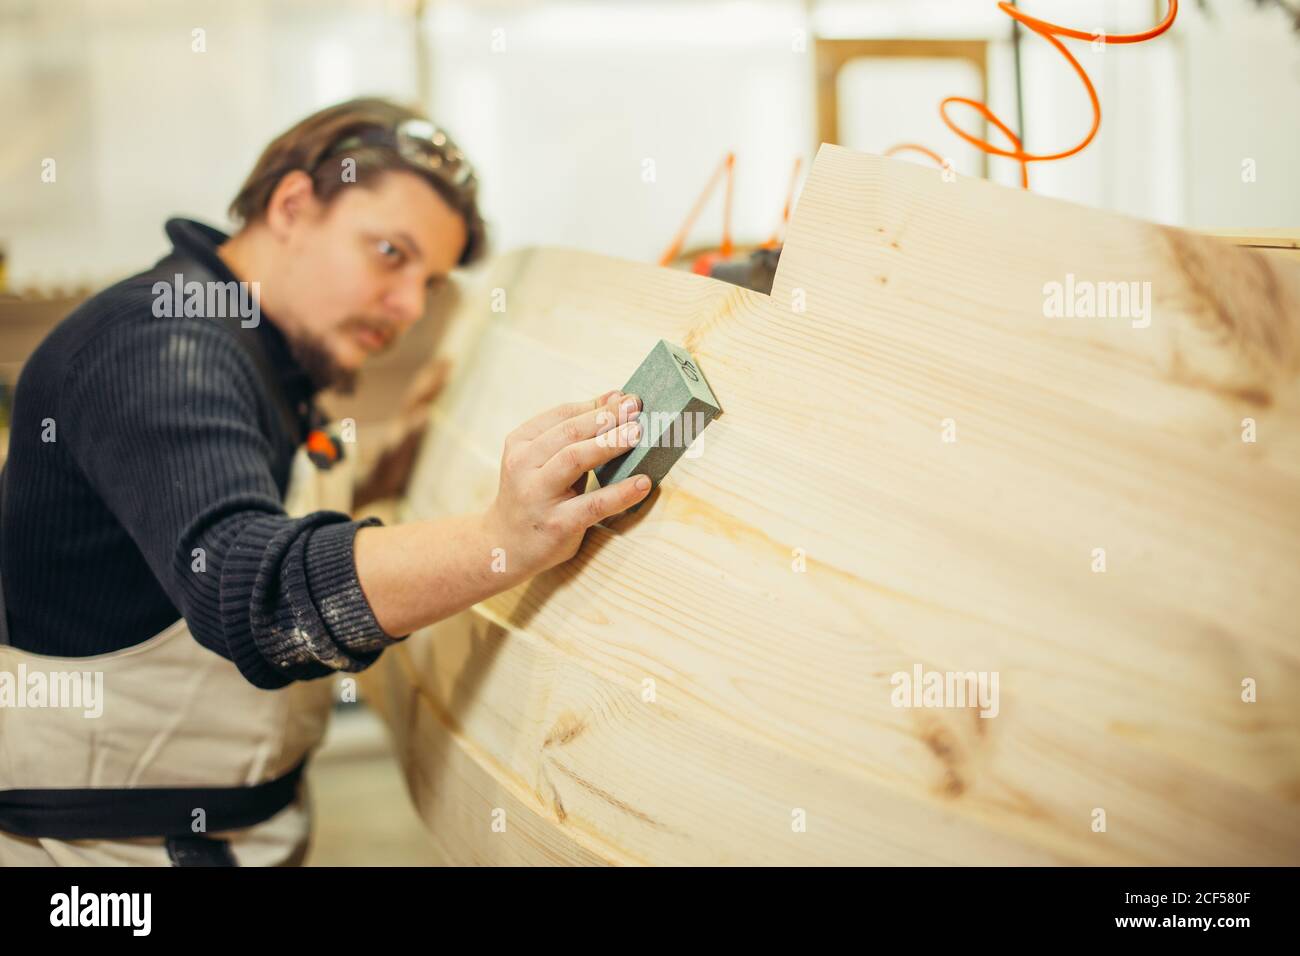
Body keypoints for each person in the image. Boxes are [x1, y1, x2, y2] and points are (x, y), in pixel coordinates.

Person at [0, 97, 649, 865]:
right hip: (99, 859)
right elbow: (258, 595)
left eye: (431, 282)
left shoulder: (251, 349)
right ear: (293, 204)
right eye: (390, 253)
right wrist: (497, 541)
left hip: (209, 828)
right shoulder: (160, 349)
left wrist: (388, 469)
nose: (409, 306)